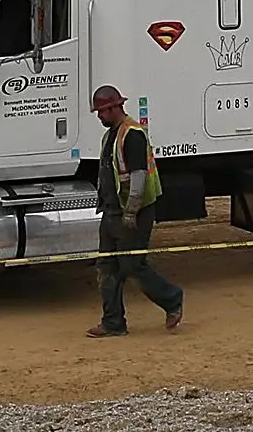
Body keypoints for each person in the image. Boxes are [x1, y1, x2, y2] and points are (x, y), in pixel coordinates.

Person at [86, 84, 182, 337]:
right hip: (111, 211)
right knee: (106, 268)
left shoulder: (132, 134)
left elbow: (138, 176)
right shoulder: (111, 136)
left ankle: (172, 299)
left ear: (115, 107)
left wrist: (131, 211)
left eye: (102, 111)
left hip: (133, 212)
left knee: (132, 265)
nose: (99, 116)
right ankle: (113, 323)